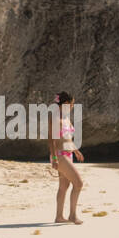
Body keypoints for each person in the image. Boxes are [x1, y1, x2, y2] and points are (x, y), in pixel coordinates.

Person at [49, 91, 84, 223]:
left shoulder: (66, 118)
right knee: (79, 184)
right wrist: (54, 159)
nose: (72, 106)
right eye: (72, 104)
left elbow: (67, 138)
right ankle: (72, 215)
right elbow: (51, 140)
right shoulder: (56, 118)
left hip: (68, 154)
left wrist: (76, 151)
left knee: (64, 186)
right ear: (65, 103)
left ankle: (59, 217)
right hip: (60, 155)